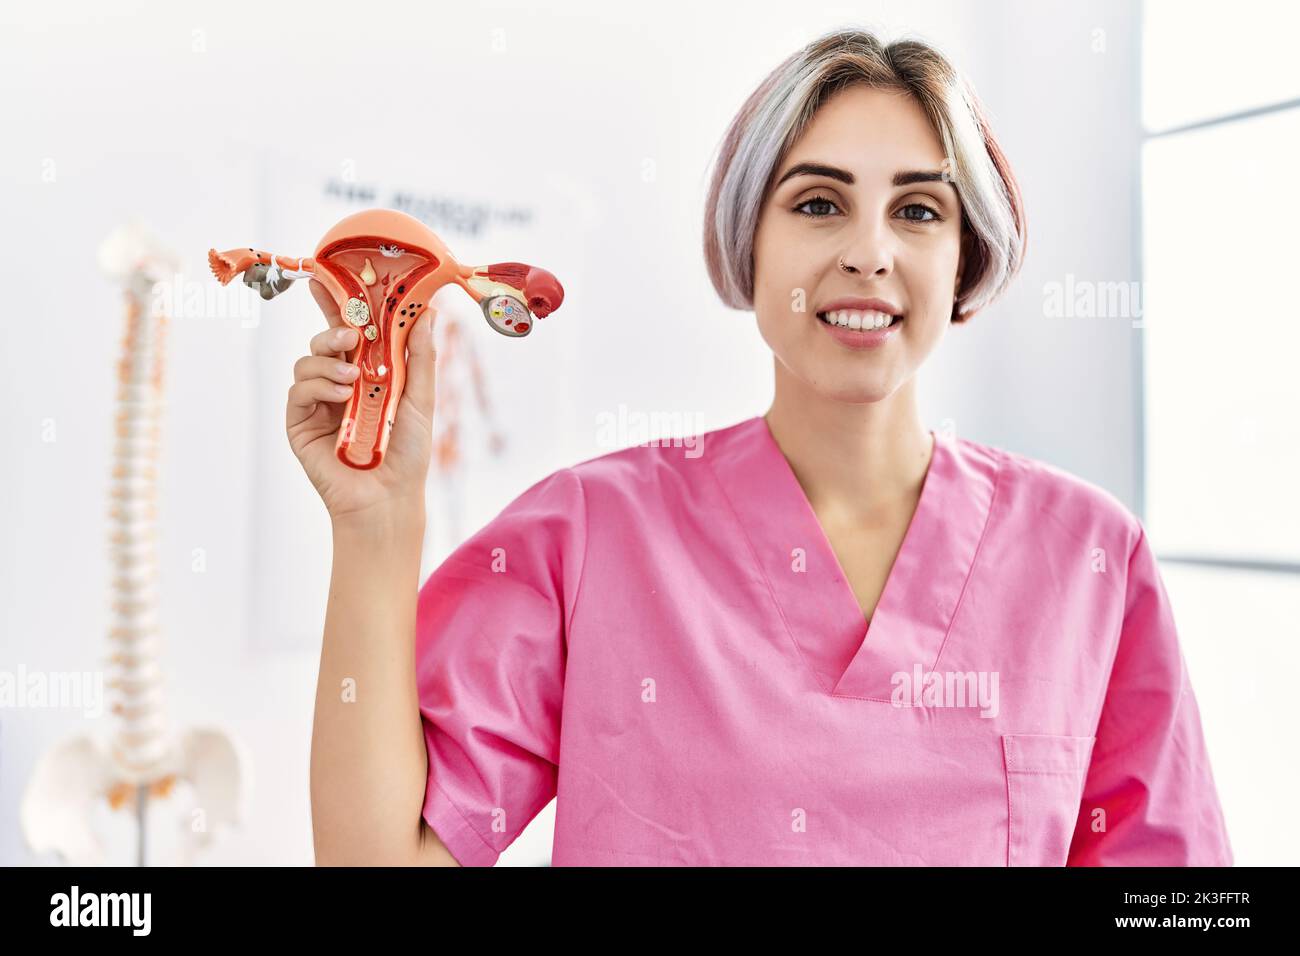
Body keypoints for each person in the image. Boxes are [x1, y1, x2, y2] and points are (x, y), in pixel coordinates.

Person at [302, 27, 1233, 866]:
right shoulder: (590, 534)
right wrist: (377, 527)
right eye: (820, 203)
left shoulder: (1090, 557)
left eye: (918, 211)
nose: (870, 251)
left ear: (966, 259)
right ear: (748, 243)